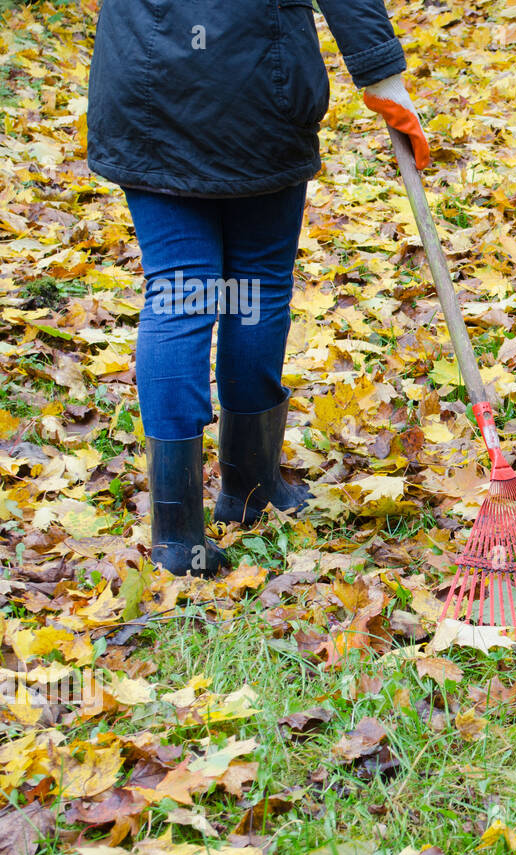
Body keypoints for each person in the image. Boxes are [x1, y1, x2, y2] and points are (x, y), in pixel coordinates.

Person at [86, 0, 430, 576]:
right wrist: (383, 76)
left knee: (180, 290)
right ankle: (250, 488)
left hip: (144, 82)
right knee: (255, 285)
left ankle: (180, 534)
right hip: (254, 85)